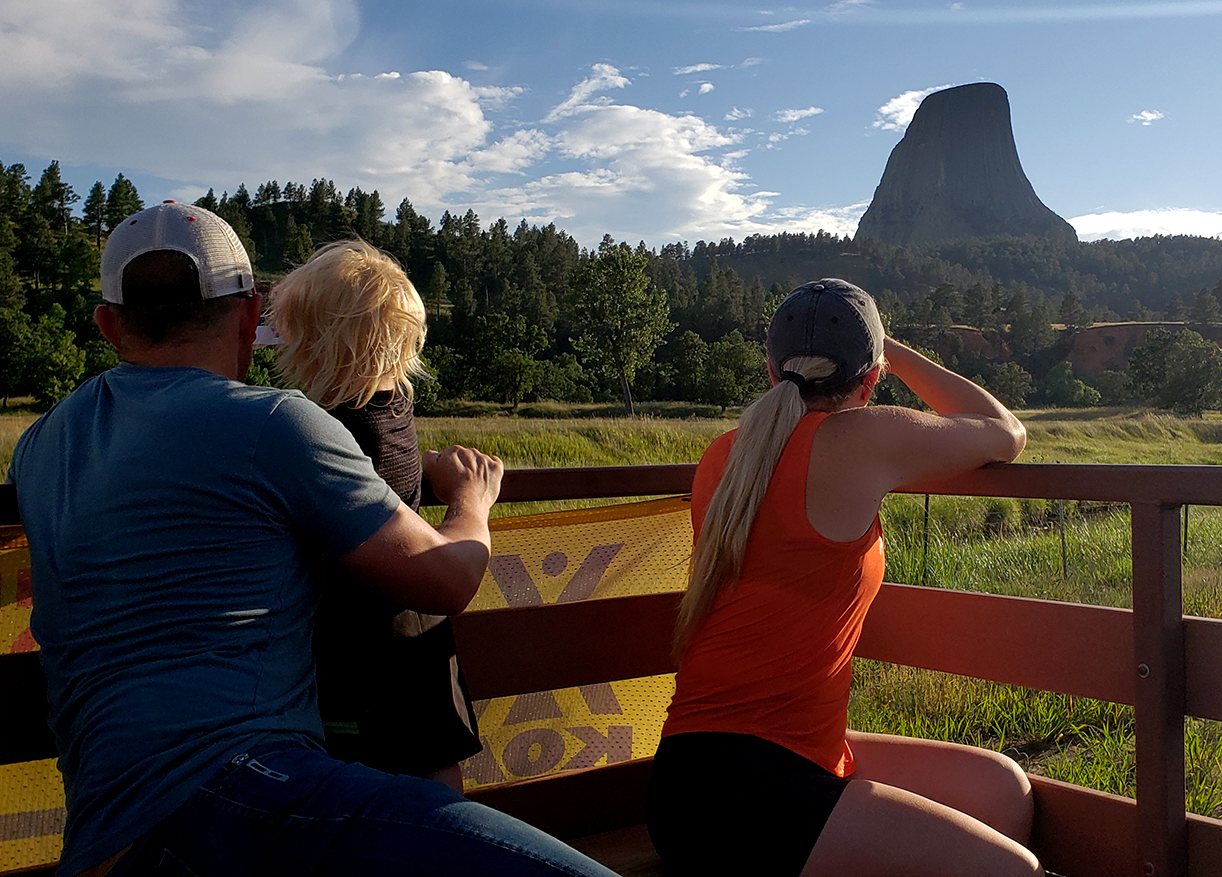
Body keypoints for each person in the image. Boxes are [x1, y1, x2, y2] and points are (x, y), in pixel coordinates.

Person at [6, 202, 617, 877]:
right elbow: (447, 580)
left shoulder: (38, 446)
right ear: (247, 313)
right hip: (247, 800)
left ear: (106, 323)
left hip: (99, 839)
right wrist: (472, 499)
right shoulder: (273, 424)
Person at [645, 278, 1041, 877]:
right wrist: (893, 348)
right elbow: (1005, 431)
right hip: (753, 795)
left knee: (1000, 791)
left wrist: (875, 354)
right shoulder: (864, 436)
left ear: (772, 370)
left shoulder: (727, 456)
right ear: (871, 377)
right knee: (1017, 871)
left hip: (694, 781)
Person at [267, 239, 479, 791]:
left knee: (380, 800)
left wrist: (470, 502)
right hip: (419, 651)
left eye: (290, 334)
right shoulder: (394, 411)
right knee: (435, 778)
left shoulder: (332, 433)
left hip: (360, 654)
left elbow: (450, 566)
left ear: (319, 346)